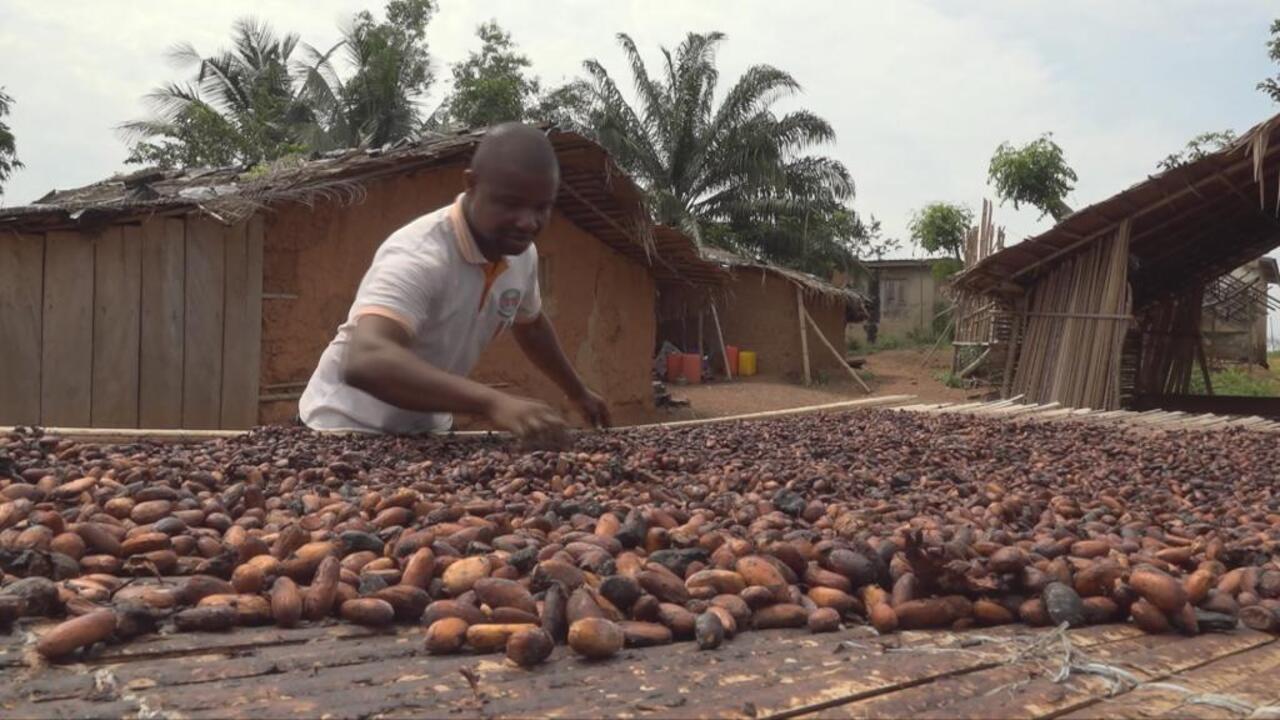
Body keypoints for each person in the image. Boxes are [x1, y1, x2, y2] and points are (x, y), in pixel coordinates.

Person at [298, 123, 610, 444]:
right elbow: (366, 359)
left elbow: (530, 325)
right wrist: (493, 402)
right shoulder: (419, 254)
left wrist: (577, 391)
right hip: (343, 428)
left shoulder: (521, 255)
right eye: (510, 203)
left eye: (542, 207)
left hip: (426, 432)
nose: (529, 222)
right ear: (471, 184)